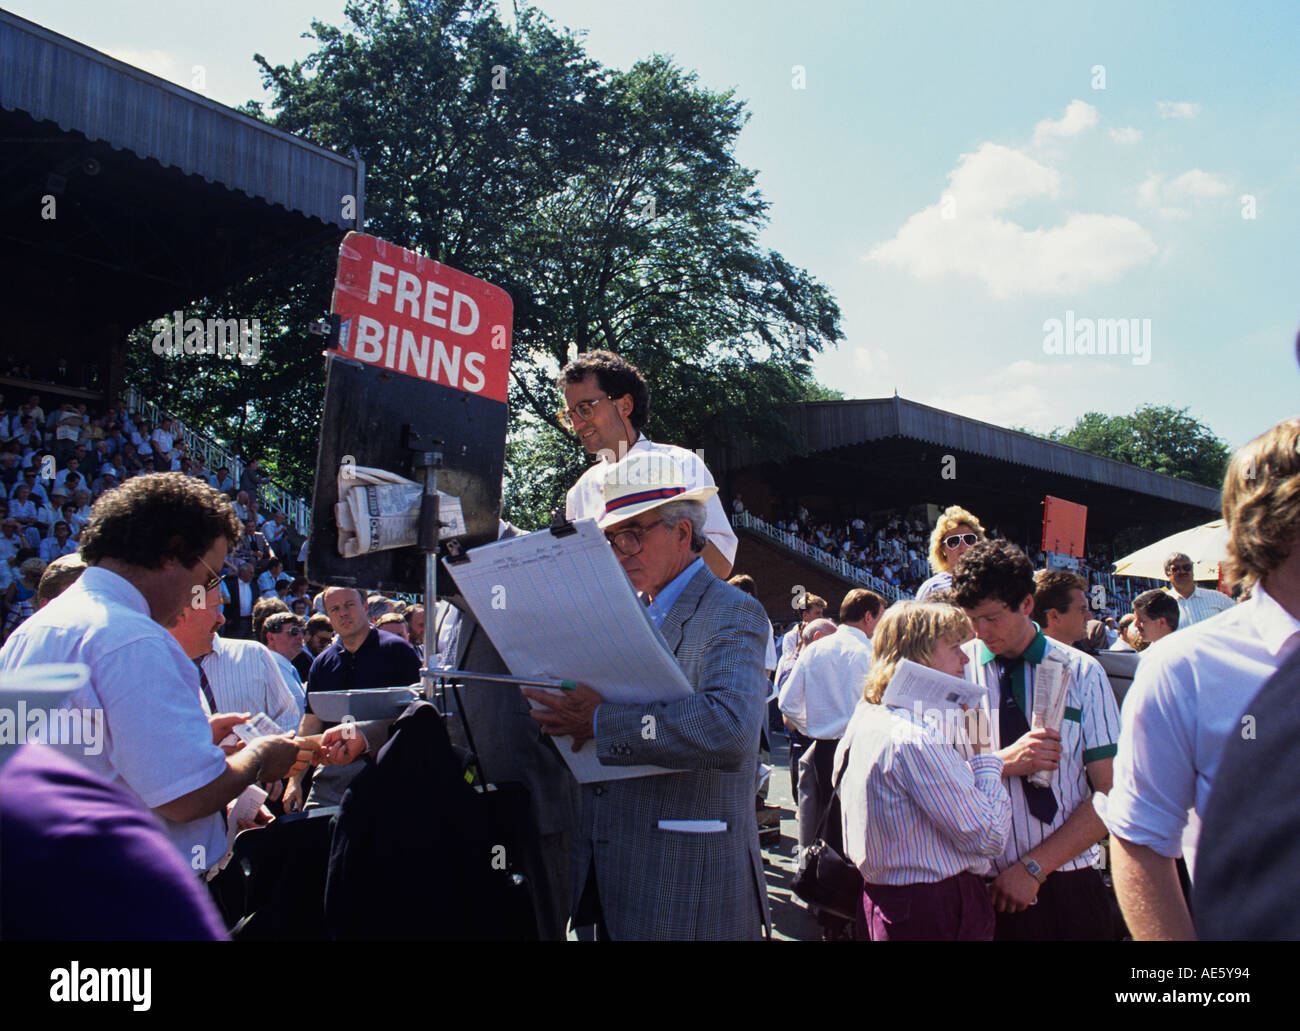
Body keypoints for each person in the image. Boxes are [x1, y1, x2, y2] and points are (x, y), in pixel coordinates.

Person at [0, 473, 304, 875]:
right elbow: (187, 797)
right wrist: (261, 757)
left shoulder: (36, 630)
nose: (214, 592)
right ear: (172, 553)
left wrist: (191, 738)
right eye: (210, 576)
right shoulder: (134, 640)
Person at [521, 452, 771, 939]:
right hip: (615, 874)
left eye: (633, 534)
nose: (620, 552)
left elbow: (731, 730)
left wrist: (597, 722)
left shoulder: (733, 611)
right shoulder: (627, 610)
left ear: (682, 533)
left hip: (687, 882)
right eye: (611, 539)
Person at [1105, 417, 1300, 940]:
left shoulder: (1210, 606)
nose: (1180, 578)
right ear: (1279, 524)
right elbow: (1141, 841)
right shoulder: (1183, 671)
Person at [951, 539, 1122, 940]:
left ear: (1027, 605)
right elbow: (930, 779)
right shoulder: (959, 670)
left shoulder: (1081, 671)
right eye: (972, 618)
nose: (980, 632)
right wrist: (1005, 762)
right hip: (982, 886)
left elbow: (1112, 793)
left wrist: (1033, 868)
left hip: (1067, 883)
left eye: (992, 618)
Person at [835, 601, 1011, 940]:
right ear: (920, 655)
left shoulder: (867, 717)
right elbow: (989, 836)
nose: (965, 659)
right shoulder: (914, 738)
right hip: (933, 906)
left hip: (888, 900)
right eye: (955, 647)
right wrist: (987, 756)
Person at [558, 350, 737, 578]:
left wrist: (660, 522)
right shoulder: (579, 492)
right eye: (569, 414)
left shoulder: (682, 464)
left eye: (585, 409)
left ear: (625, 405)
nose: (576, 424)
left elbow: (721, 564)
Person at [286, 586, 422, 812]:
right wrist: (295, 782)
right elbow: (311, 722)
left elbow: (417, 713)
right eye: (335, 609)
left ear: (365, 606)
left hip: (388, 771)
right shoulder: (321, 664)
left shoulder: (398, 651)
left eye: (349, 605)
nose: (343, 613)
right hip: (331, 776)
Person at [780, 589, 883, 849]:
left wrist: (813, 726)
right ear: (868, 617)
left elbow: (787, 702)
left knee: (831, 830)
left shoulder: (816, 650)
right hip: (861, 748)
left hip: (826, 749)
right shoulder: (870, 652)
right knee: (861, 830)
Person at [170, 586, 302, 733]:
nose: (221, 618)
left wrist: (257, 752)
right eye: (214, 608)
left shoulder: (254, 655)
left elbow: (289, 717)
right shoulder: (156, 668)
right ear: (183, 612)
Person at [916, 506, 986, 601]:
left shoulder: (989, 583)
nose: (963, 546)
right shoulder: (932, 589)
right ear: (942, 549)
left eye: (969, 539)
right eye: (953, 541)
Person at [1161, 551, 1233, 627]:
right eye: (1176, 569)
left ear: (1192, 571)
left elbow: (1240, 616)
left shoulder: (1217, 598)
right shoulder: (1162, 604)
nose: (1182, 571)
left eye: (1187, 567)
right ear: (1167, 573)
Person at [1031, 570, 1090, 649]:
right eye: (1082, 610)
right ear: (1054, 616)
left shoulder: (1084, 658)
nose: (1089, 617)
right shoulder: (1023, 659)